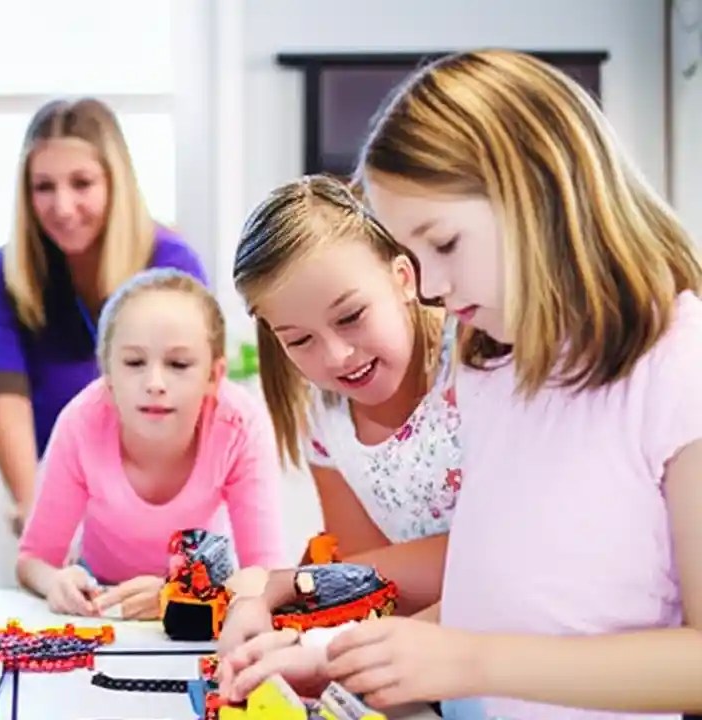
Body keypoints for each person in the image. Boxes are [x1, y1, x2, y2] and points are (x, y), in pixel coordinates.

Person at [220, 49, 702, 719]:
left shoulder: (680, 365)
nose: (435, 288)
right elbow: (491, 596)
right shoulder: (492, 364)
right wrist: (337, 655)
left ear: (542, 197)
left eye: (445, 245)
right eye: (417, 257)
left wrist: (470, 660)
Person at [217, 174, 459, 653]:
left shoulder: (470, 367)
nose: (337, 356)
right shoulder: (322, 417)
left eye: (351, 316)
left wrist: (289, 583)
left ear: (403, 278)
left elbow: (494, 558)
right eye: (300, 340)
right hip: (436, 648)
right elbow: (368, 577)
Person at [0, 98, 208, 534]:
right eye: (43, 186)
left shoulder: (173, 263)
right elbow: (8, 404)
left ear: (115, 182)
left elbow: (196, 400)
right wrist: (35, 516)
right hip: (55, 491)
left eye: (81, 183)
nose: (62, 206)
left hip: (161, 498)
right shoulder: (2, 274)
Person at [16, 268, 282, 619]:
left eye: (178, 363)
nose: (155, 382)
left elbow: (269, 576)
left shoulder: (240, 426)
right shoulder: (80, 422)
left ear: (213, 377)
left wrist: (176, 594)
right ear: (108, 377)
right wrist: (56, 583)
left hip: (206, 599)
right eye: (134, 362)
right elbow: (33, 560)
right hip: (102, 602)